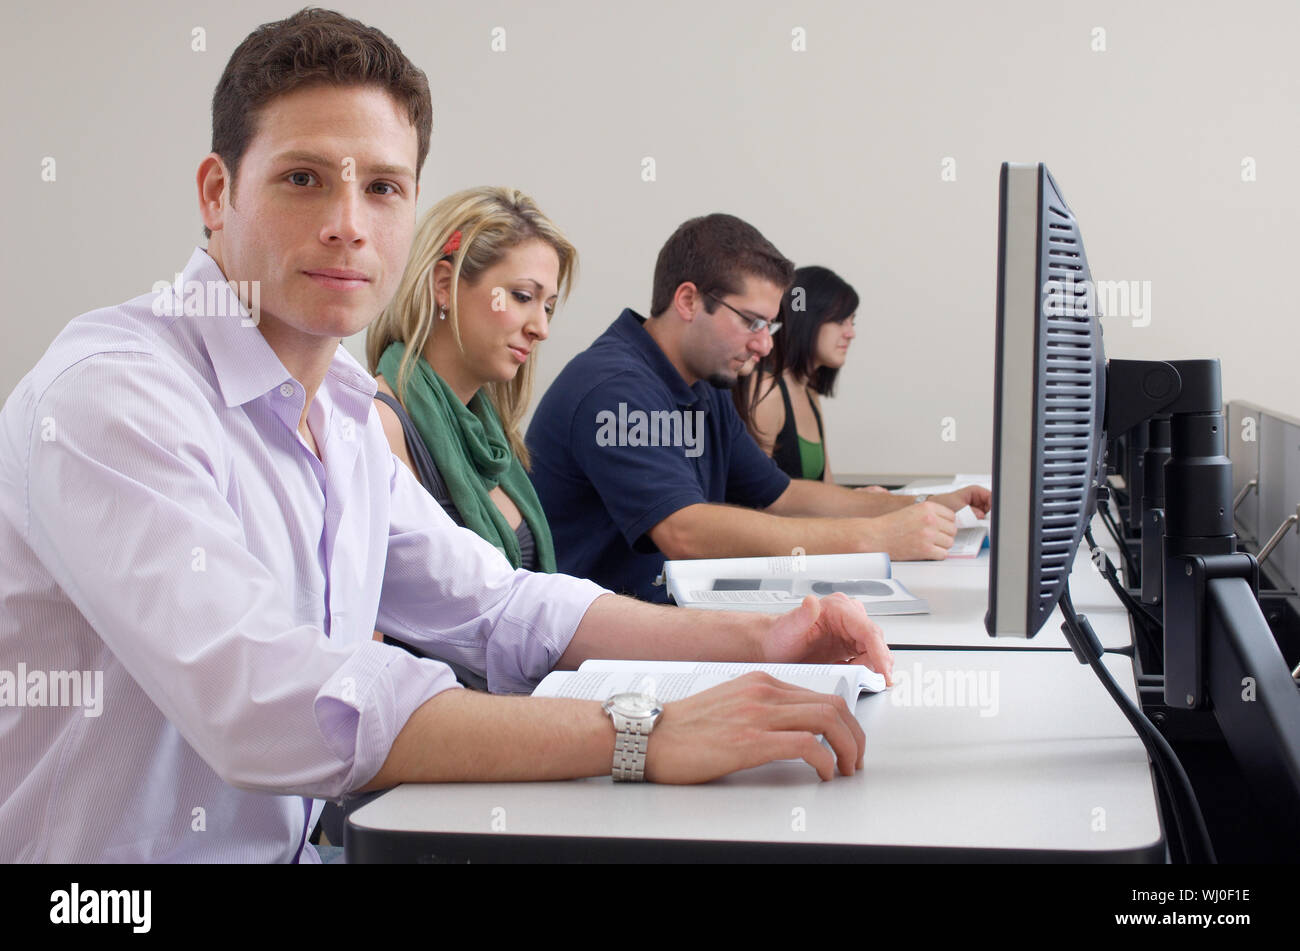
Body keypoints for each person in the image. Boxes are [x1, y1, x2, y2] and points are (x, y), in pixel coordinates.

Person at [0, 9, 892, 863]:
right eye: (303, 177)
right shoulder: (113, 396)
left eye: (382, 186)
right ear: (216, 193)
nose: (349, 221)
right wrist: (639, 731)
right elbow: (266, 707)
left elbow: (498, 606)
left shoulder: (342, 401)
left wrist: (766, 638)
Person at [526, 214, 991, 603]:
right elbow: (685, 531)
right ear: (688, 300)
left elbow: (784, 496)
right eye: (751, 321)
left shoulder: (703, 384)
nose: (766, 344)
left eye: (771, 324)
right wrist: (876, 539)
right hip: (593, 648)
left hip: (664, 616)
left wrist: (919, 507)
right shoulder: (617, 388)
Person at [366, 186, 571, 573]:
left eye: (548, 307)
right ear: (445, 285)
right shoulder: (379, 426)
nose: (541, 328)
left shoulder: (491, 440)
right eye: (523, 296)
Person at [734, 265, 857, 482]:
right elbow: (753, 496)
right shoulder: (766, 392)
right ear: (807, 320)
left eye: (852, 322)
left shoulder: (809, 391)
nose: (851, 334)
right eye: (839, 321)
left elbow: (826, 489)